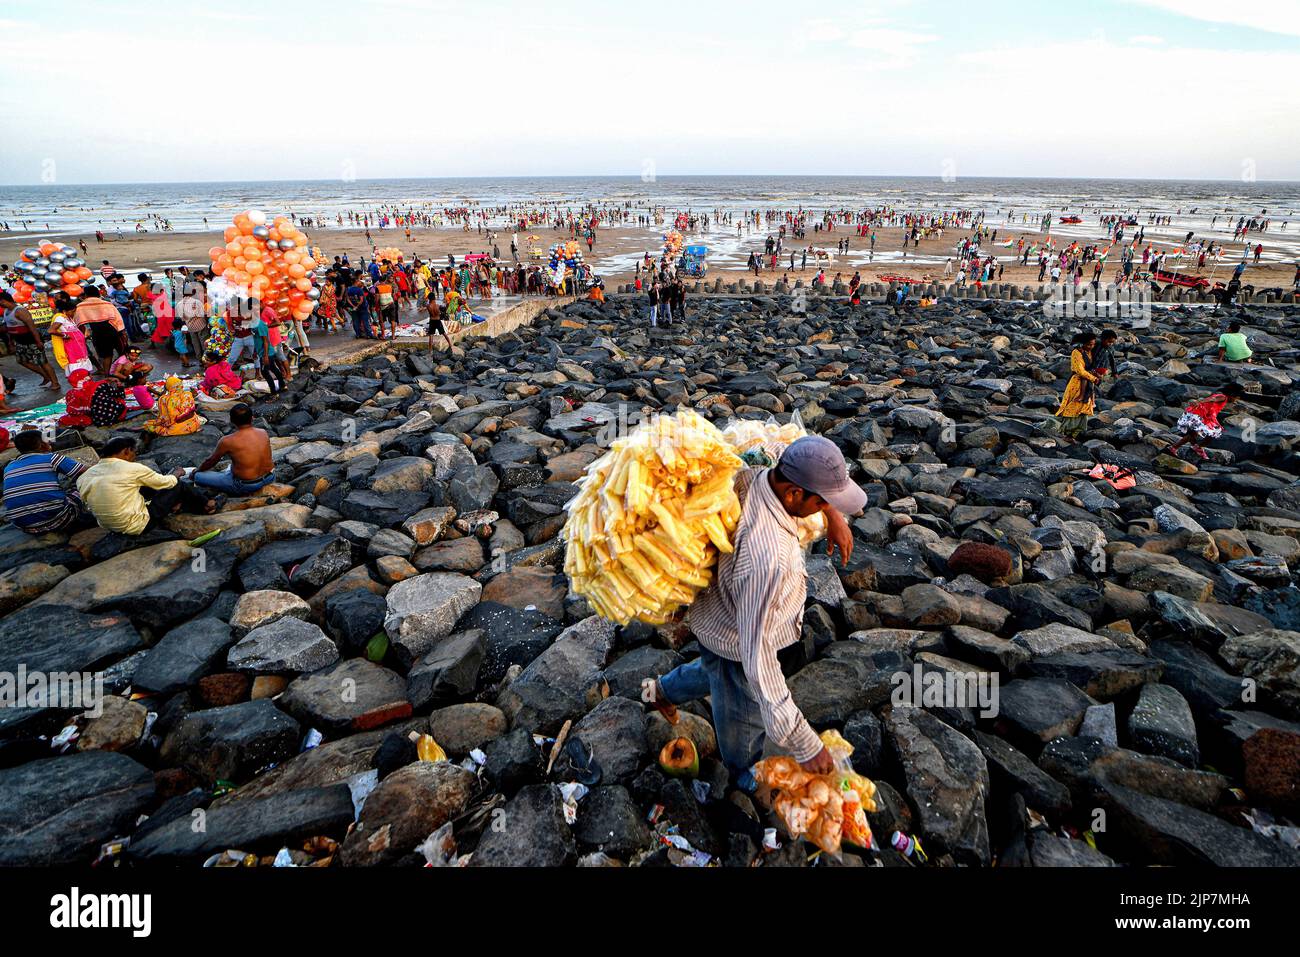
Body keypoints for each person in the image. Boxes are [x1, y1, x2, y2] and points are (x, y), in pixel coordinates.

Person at [643, 436, 863, 785]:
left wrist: (834, 513)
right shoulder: (770, 560)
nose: (823, 508)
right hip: (736, 639)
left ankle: (657, 692)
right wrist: (805, 743)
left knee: (712, 669)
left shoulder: (754, 469)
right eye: (821, 502)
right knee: (740, 713)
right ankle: (742, 772)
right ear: (793, 494)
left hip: (718, 616)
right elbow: (756, 656)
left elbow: (783, 444)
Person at [77, 435, 221, 535]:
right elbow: (168, 482)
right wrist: (177, 473)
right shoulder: (132, 469)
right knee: (178, 485)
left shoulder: (86, 476)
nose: (135, 457)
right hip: (138, 525)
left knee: (142, 486)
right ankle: (207, 504)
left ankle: (177, 503)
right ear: (127, 451)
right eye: (134, 453)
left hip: (109, 525)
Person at [1, 429, 93, 534]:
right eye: (47, 440)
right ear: (42, 445)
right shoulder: (51, 458)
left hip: (24, 527)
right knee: (81, 481)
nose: (49, 442)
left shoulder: (9, 466)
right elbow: (87, 472)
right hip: (57, 520)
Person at [193, 403, 275, 496]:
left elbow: (211, 461)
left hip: (246, 485)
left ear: (231, 420)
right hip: (269, 477)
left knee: (198, 477)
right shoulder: (263, 432)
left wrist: (197, 471)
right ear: (252, 418)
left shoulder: (227, 441)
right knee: (232, 467)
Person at [0, 290, 62, 391]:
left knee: (43, 362)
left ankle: (55, 382)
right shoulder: (7, 311)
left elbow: (31, 326)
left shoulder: (20, 310)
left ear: (4, 301)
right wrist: (11, 342)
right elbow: (9, 327)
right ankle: (45, 377)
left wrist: (38, 341)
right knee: (22, 361)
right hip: (20, 341)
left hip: (31, 340)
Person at [1167, 383, 1245, 460]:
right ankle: (1196, 447)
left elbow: (1212, 405)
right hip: (1200, 415)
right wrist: (1199, 402)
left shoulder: (1221, 396)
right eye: (1236, 398)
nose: (1236, 400)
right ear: (1232, 394)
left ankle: (1178, 447)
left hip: (1201, 415)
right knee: (1213, 433)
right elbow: (1212, 399)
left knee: (1195, 434)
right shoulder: (1223, 397)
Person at [1051, 332, 1099, 440]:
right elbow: (1080, 370)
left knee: (1083, 408)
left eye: (1093, 344)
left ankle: (1075, 434)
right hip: (1077, 383)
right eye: (1089, 345)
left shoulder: (1091, 353)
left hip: (1088, 384)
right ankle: (1067, 433)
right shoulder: (1076, 353)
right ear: (1083, 343)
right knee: (1074, 406)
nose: (1091, 347)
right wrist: (1093, 378)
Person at [74, 287, 129, 372]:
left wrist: (84, 335)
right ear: (98, 293)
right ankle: (126, 372)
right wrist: (123, 331)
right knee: (122, 352)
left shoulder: (80, 306)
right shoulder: (107, 303)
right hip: (112, 329)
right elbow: (118, 319)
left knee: (106, 356)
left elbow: (78, 322)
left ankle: (107, 376)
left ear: (86, 295)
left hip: (97, 333)